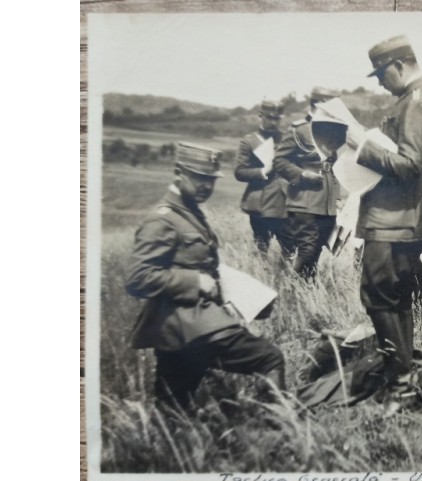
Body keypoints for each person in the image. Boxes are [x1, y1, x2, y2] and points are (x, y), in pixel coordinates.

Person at [125, 142, 286, 409]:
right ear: (178, 172)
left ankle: (163, 447)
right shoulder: (163, 219)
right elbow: (138, 278)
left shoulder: (188, 213)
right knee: (269, 359)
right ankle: (280, 426)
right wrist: (195, 282)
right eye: (198, 177)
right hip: (194, 326)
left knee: (173, 411)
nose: (205, 187)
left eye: (210, 180)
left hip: (179, 333)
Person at [344, 35, 422, 415]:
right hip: (400, 218)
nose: (379, 82)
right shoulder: (416, 98)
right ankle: (403, 377)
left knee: (378, 295)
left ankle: (400, 384)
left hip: (394, 220)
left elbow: (410, 164)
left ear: (398, 65)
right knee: (395, 297)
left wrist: (362, 148)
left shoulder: (416, 102)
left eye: (381, 74)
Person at [273, 87, 343, 280]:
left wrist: (337, 198)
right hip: (305, 203)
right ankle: (289, 288)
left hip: (327, 206)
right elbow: (279, 161)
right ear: (318, 104)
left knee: (317, 250)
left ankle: (306, 290)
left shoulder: (330, 130)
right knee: (307, 249)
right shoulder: (299, 129)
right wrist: (302, 174)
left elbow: (332, 166)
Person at [234, 100, 291, 257]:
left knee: (289, 249)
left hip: (284, 203)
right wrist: (263, 171)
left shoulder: (287, 138)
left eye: (277, 118)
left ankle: (286, 280)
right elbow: (240, 171)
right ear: (260, 115)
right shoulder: (249, 141)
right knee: (261, 249)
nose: (273, 122)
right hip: (260, 204)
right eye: (269, 117)